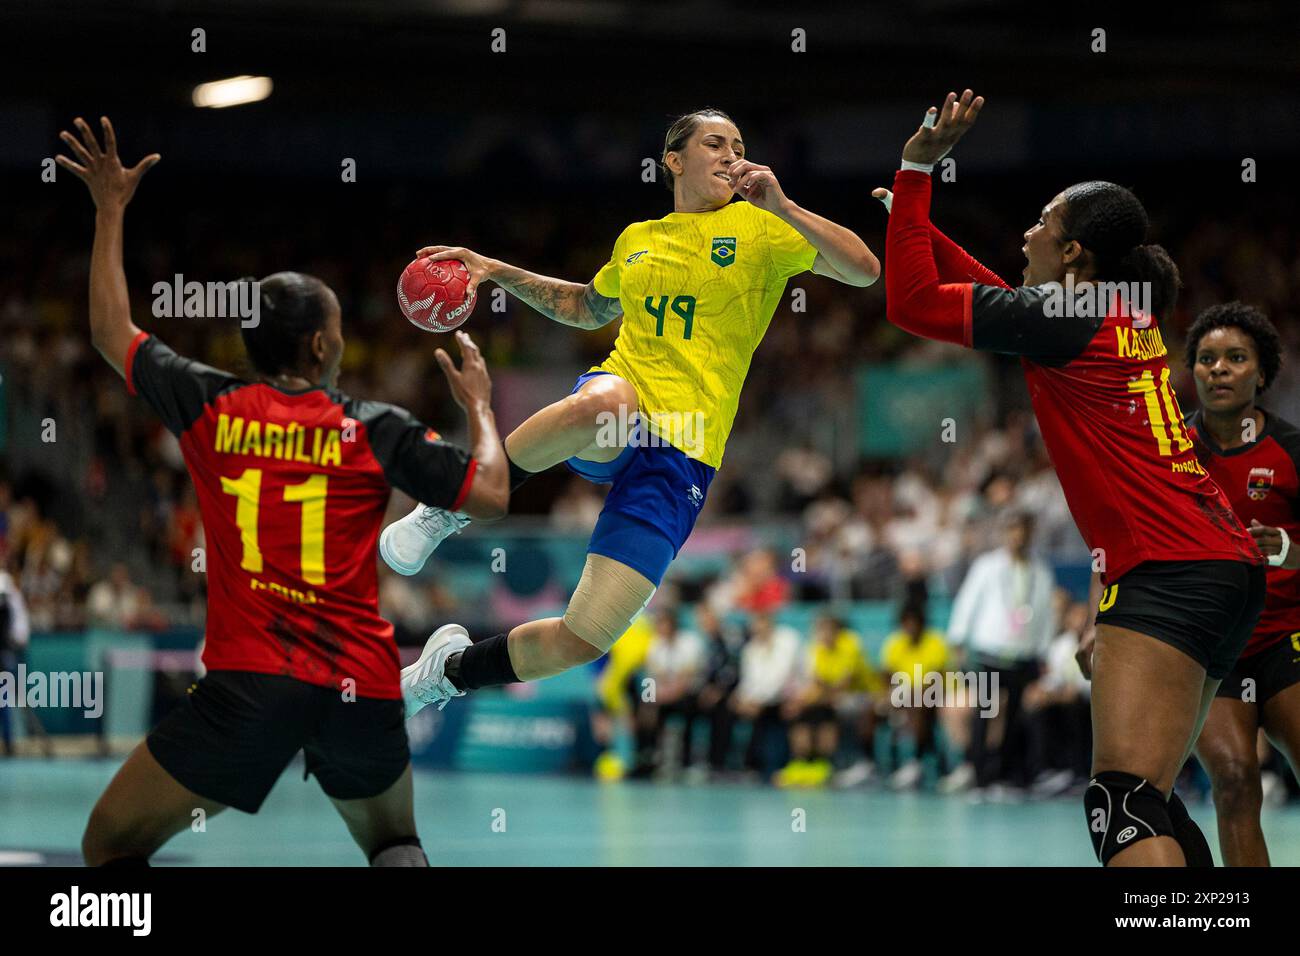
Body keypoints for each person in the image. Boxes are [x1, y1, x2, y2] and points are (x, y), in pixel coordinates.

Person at [56, 117, 508, 866]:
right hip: (362, 687)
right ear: (326, 345)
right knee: (393, 842)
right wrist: (481, 407)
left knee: (109, 845)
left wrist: (110, 210)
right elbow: (490, 492)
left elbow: (111, 331)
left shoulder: (207, 404)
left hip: (249, 690)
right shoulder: (376, 428)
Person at [385, 108, 879, 717]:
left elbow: (863, 270)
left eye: (738, 145)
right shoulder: (638, 239)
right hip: (627, 400)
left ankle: (445, 674)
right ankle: (448, 507)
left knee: (584, 637)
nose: (730, 155)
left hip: (686, 454)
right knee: (601, 406)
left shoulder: (765, 230)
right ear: (674, 160)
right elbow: (587, 307)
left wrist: (784, 206)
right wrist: (495, 269)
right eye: (714, 144)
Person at [878, 90, 1264, 866]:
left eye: (1044, 225)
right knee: (1145, 796)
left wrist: (918, 169)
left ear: (1075, 256)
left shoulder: (1069, 316)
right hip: (1221, 567)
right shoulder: (1116, 310)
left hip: (1172, 568)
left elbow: (912, 304)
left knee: (1121, 800)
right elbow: (1003, 298)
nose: (1029, 231)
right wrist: (915, 223)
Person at [1183, 303, 1300, 865]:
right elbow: (1117, 541)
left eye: (1235, 358)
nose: (1219, 369)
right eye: (1207, 359)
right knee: (1232, 780)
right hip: (1209, 652)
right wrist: (1095, 624)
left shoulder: (1291, 451)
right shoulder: (1170, 453)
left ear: (1261, 372)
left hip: (1285, 641)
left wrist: (1291, 552)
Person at [944, 512, 1055, 793]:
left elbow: (1046, 614)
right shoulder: (988, 566)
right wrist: (958, 639)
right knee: (984, 713)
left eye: (1025, 530)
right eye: (1014, 530)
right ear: (1006, 532)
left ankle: (1003, 774)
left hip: (1023, 653)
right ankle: (979, 776)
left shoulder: (1040, 572)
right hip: (989, 650)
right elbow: (968, 600)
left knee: (1016, 716)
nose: (1019, 536)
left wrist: (1043, 651)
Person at [776, 615, 869, 788]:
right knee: (805, 709)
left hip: (860, 696)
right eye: (819, 631)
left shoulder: (851, 645)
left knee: (828, 706)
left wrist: (814, 698)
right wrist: (802, 701)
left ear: (837, 631)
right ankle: (804, 761)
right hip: (828, 698)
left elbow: (843, 685)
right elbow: (816, 682)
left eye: (826, 630)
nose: (822, 635)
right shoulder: (816, 649)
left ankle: (827, 762)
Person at [880, 602, 954, 790]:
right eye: (906, 623)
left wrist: (909, 694)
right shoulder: (894, 644)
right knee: (874, 709)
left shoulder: (936, 642)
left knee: (918, 704)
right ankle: (871, 764)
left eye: (914, 623)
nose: (910, 627)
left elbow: (934, 681)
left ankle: (915, 761)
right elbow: (888, 676)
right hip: (905, 696)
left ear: (922, 624)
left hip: (937, 695)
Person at [630, 608, 706, 778]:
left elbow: (687, 678)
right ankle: (647, 758)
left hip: (688, 695)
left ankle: (686, 762)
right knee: (645, 712)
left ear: (672, 625)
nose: (660, 628)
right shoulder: (655, 645)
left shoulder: (690, 642)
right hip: (663, 696)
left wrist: (667, 695)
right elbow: (651, 678)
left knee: (687, 710)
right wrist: (648, 701)